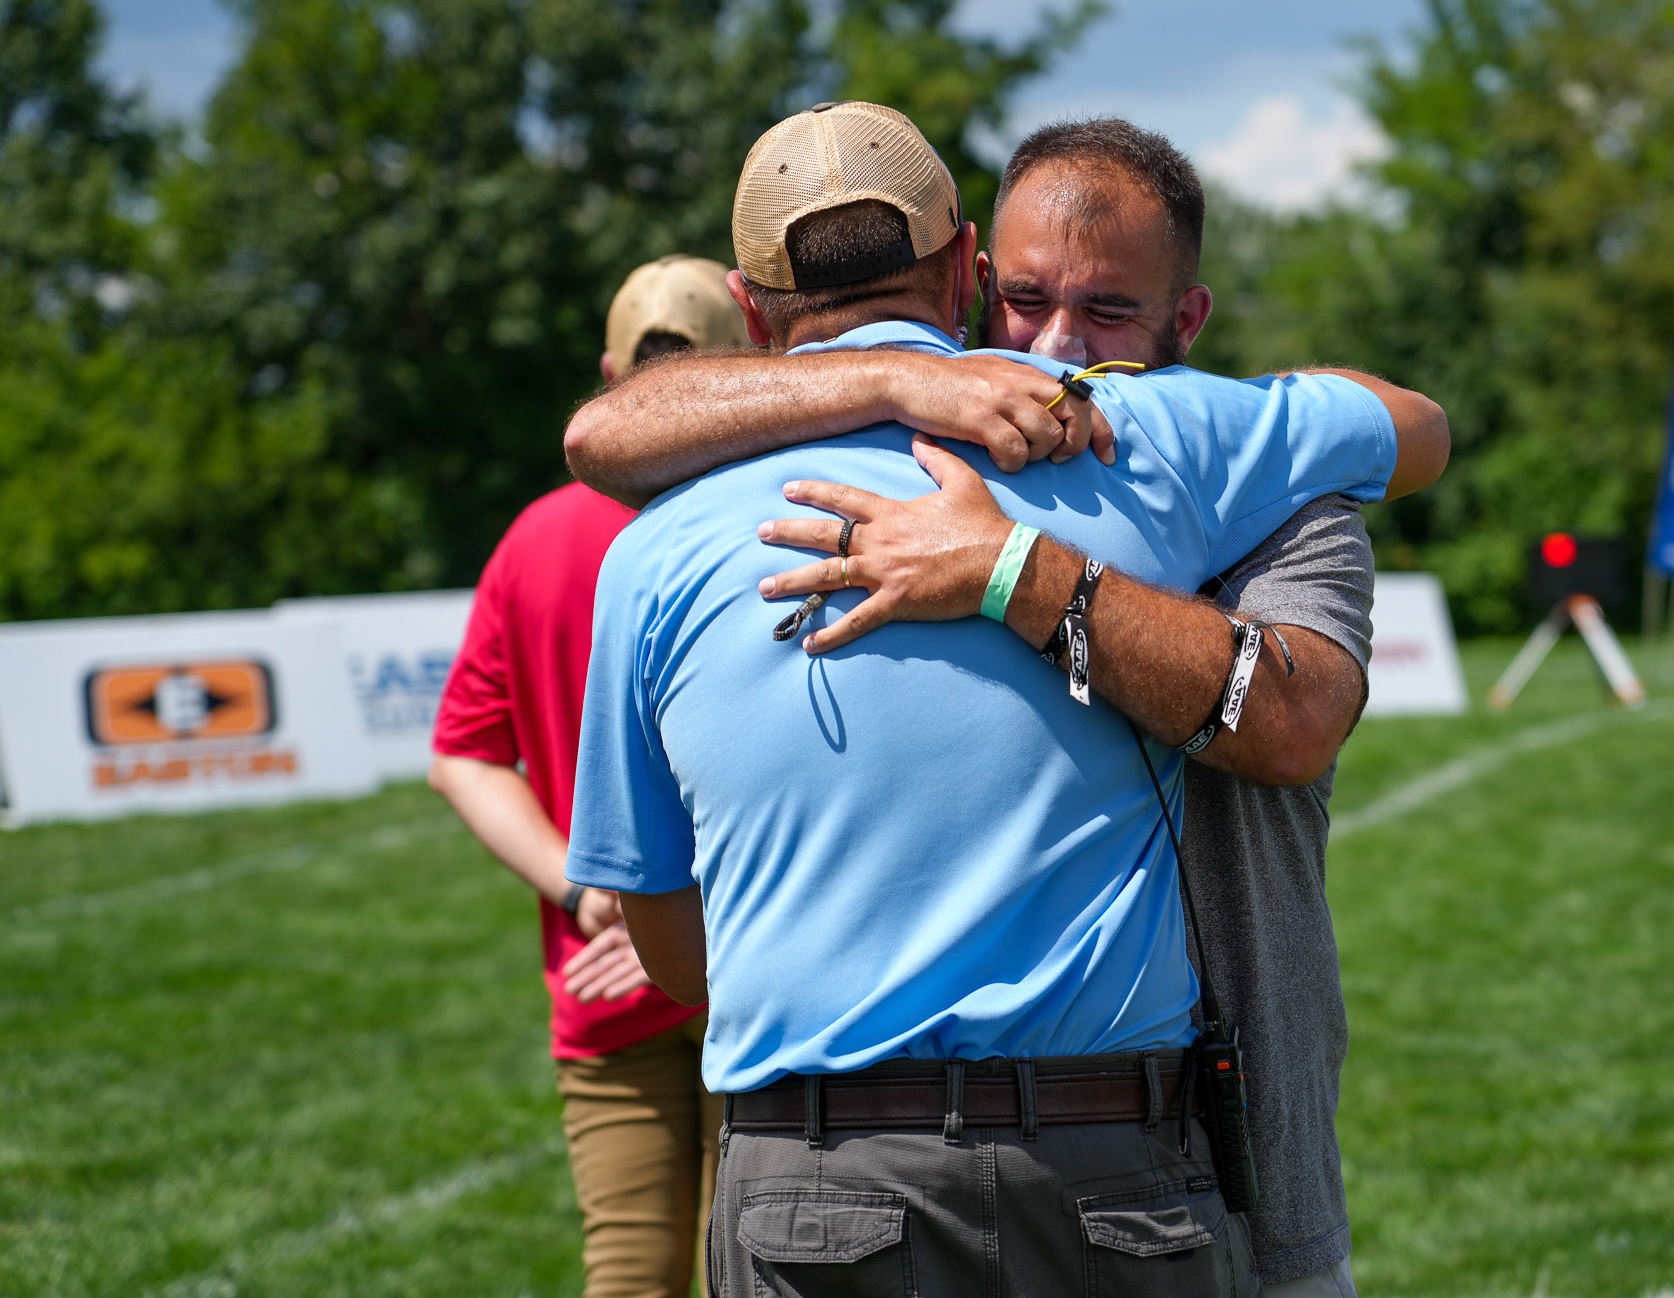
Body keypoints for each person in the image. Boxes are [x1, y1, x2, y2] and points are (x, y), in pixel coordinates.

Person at [565, 100, 1433, 1296]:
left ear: (747, 305)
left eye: (1104, 313)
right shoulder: (1144, 429)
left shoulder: (646, 551)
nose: (1060, 346)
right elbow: (1416, 431)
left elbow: (668, 941)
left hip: (805, 1186)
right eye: (1031, 304)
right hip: (1102, 1172)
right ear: (968, 268)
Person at [427, 253, 745, 1298]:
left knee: (628, 1280)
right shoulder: (777, 511)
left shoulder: (532, 538)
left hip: (604, 969)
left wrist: (592, 892)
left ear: (606, 372)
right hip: (763, 971)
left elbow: (460, 759)